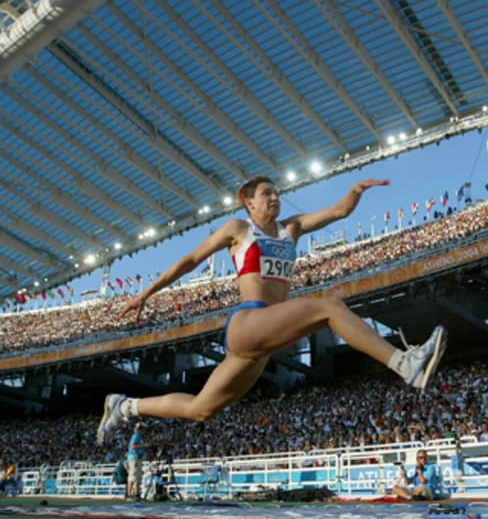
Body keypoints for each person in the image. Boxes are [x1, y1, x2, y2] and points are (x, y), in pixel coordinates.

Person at [96, 177, 447, 445]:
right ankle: (405, 363)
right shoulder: (239, 228)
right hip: (248, 321)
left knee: (200, 409)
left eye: (277, 192)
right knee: (329, 307)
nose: (275, 196)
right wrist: (146, 293)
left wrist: (355, 191)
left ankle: (125, 406)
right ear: (248, 202)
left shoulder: (291, 228)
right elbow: (191, 259)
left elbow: (337, 212)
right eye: (267, 193)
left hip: (262, 339)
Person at [127, 423, 150, 500]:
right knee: (133, 477)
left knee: (137, 477)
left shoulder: (139, 436)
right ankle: (129, 495)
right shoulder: (136, 436)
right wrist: (144, 445)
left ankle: (136, 494)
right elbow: (133, 446)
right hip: (135, 458)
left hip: (138, 458)